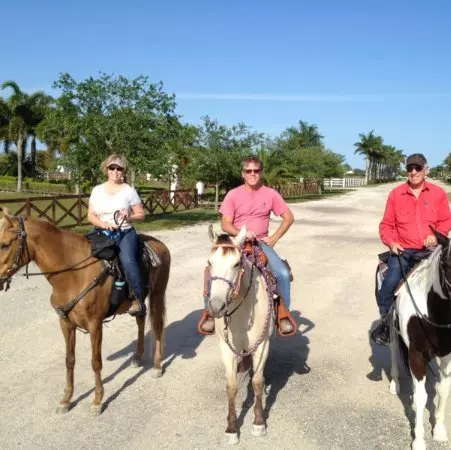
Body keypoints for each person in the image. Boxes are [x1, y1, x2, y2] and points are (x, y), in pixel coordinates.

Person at [199, 155, 296, 335]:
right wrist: (240, 233)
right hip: (236, 243)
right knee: (211, 269)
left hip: (260, 243)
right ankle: (210, 313)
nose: (252, 174)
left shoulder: (271, 194)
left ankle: (282, 315)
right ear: (243, 173)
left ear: (261, 172)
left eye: (256, 171)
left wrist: (273, 238)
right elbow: (225, 224)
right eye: (248, 171)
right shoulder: (233, 194)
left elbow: (288, 218)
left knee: (282, 273)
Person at [371, 153, 451, 345]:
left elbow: (446, 220)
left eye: (418, 168)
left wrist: (436, 235)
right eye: (410, 168)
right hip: (403, 252)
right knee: (388, 285)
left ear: (426, 170)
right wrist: (391, 242)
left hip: (431, 252)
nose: (413, 172)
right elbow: (386, 225)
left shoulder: (438, 194)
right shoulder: (396, 194)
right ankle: (386, 325)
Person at [87, 154, 146, 316]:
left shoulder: (129, 191)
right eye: (112, 167)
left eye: (119, 168)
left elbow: (141, 214)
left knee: (128, 260)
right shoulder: (97, 190)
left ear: (123, 171)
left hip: (124, 232)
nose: (115, 171)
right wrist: (102, 224)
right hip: (101, 231)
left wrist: (129, 216)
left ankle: (137, 299)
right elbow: (90, 215)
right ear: (106, 169)